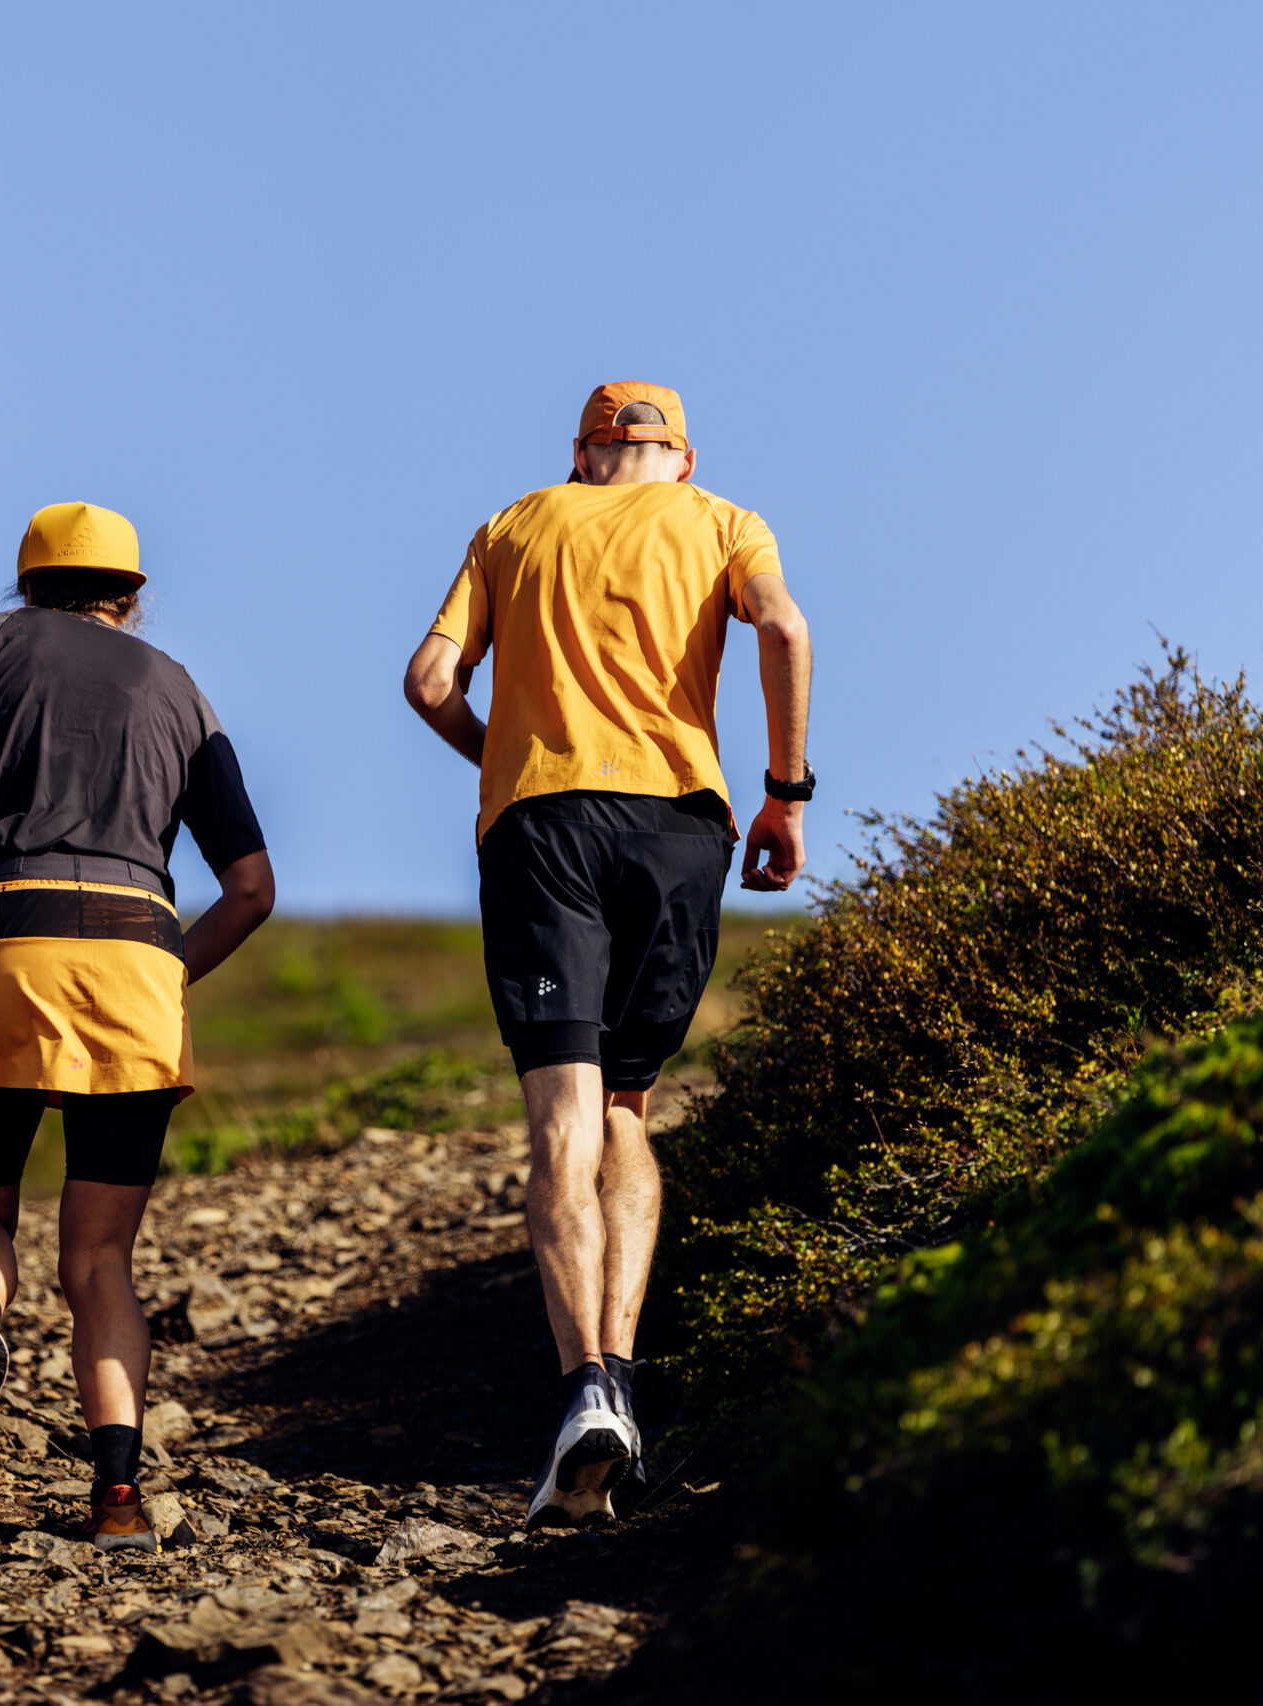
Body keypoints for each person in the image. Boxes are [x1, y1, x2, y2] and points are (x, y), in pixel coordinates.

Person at [402, 383, 812, 1527]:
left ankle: (583, 1384)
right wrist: (782, 795)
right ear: (679, 457)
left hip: (542, 826)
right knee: (628, 1107)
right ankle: (623, 1378)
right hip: (679, 823)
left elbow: (428, 682)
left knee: (560, 1113)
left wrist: (507, 764)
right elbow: (782, 627)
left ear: (583, 453)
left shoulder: (513, 524)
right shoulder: (725, 521)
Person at [0, 501, 275, 1552]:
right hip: (138, 955)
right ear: (132, 595)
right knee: (99, 1255)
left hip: (2, 936)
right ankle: (117, 1497)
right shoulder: (179, 687)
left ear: (25, 583)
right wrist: (163, 978)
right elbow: (249, 887)